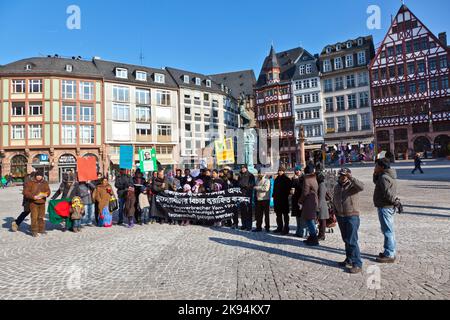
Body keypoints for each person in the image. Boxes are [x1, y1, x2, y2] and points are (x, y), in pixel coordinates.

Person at [332, 168, 365, 274]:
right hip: (340, 216)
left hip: (352, 216)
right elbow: (335, 199)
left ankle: (357, 263)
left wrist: (351, 178)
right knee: (346, 239)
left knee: (352, 240)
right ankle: (349, 259)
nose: (342, 177)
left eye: (344, 175)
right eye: (341, 175)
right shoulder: (337, 186)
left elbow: (362, 186)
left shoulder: (353, 185)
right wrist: (335, 211)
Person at [373, 158, 398, 263]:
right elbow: (377, 182)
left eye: (376, 166)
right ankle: (390, 250)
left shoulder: (383, 177)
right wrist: (375, 173)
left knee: (388, 231)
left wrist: (395, 202)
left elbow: (387, 194)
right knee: (389, 230)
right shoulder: (388, 175)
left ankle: (389, 254)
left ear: (382, 167)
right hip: (387, 207)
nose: (375, 167)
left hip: (385, 207)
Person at [23, 169, 51, 237]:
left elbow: (48, 190)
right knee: (34, 217)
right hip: (33, 202)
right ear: (35, 176)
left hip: (42, 202)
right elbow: (25, 192)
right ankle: (34, 230)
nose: (39, 177)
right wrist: (33, 197)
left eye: (40, 175)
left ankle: (41, 229)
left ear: (42, 176)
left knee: (41, 217)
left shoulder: (45, 182)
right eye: (38, 175)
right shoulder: (30, 182)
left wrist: (47, 194)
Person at [299, 163, 319, 246]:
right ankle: (311, 237)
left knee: (309, 220)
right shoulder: (314, 178)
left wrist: (300, 201)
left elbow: (305, 192)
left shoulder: (307, 179)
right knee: (310, 219)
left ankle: (314, 238)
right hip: (313, 200)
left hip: (309, 202)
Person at [272, 166, 292, 235]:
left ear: (283, 171)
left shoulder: (286, 179)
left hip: (283, 199)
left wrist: (285, 194)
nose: (280, 172)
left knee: (285, 215)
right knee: (278, 214)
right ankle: (279, 227)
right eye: (279, 171)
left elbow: (289, 189)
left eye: (281, 171)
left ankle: (286, 228)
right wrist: (273, 195)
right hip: (277, 199)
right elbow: (274, 188)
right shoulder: (277, 179)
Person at [237, 165, 255, 231]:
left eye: (244, 168)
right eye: (241, 168)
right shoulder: (240, 175)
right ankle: (243, 224)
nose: (242, 169)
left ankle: (249, 226)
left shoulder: (250, 175)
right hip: (241, 194)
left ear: (246, 168)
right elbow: (238, 183)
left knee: (248, 210)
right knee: (242, 210)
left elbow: (253, 184)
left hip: (248, 194)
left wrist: (246, 186)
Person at [291, 166, 307, 238]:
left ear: (301, 171)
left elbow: (302, 188)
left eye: (298, 170)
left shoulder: (304, 178)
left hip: (301, 200)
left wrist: (296, 180)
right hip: (295, 199)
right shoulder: (294, 178)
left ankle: (302, 232)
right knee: (297, 216)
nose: (297, 171)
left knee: (302, 216)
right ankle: (298, 231)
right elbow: (292, 187)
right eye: (296, 170)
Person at [316, 170, 330, 241]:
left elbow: (321, 197)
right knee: (321, 221)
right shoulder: (321, 184)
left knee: (322, 221)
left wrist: (318, 208)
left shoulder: (321, 185)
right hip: (321, 205)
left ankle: (322, 235)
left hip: (322, 206)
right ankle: (321, 234)